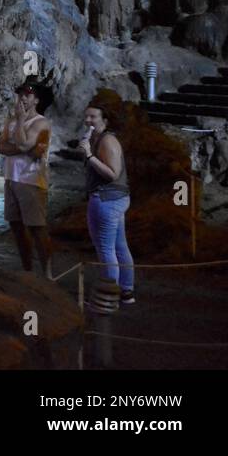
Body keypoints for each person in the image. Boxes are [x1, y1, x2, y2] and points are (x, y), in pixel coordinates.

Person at [0, 81, 54, 277]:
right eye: (20, 94)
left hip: (31, 181)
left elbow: (22, 144)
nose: (22, 98)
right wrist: (22, 148)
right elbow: (0, 147)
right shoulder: (10, 121)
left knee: (37, 227)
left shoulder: (41, 123)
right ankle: (27, 269)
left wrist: (21, 121)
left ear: (36, 100)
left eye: (28, 95)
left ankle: (47, 272)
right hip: (11, 179)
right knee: (16, 226)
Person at [83, 99, 135, 306]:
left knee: (105, 249)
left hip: (107, 199)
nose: (88, 120)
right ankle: (126, 292)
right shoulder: (97, 138)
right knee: (119, 246)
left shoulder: (107, 141)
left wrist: (88, 156)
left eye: (93, 117)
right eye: (86, 116)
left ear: (104, 120)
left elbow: (112, 174)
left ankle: (108, 296)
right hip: (115, 199)